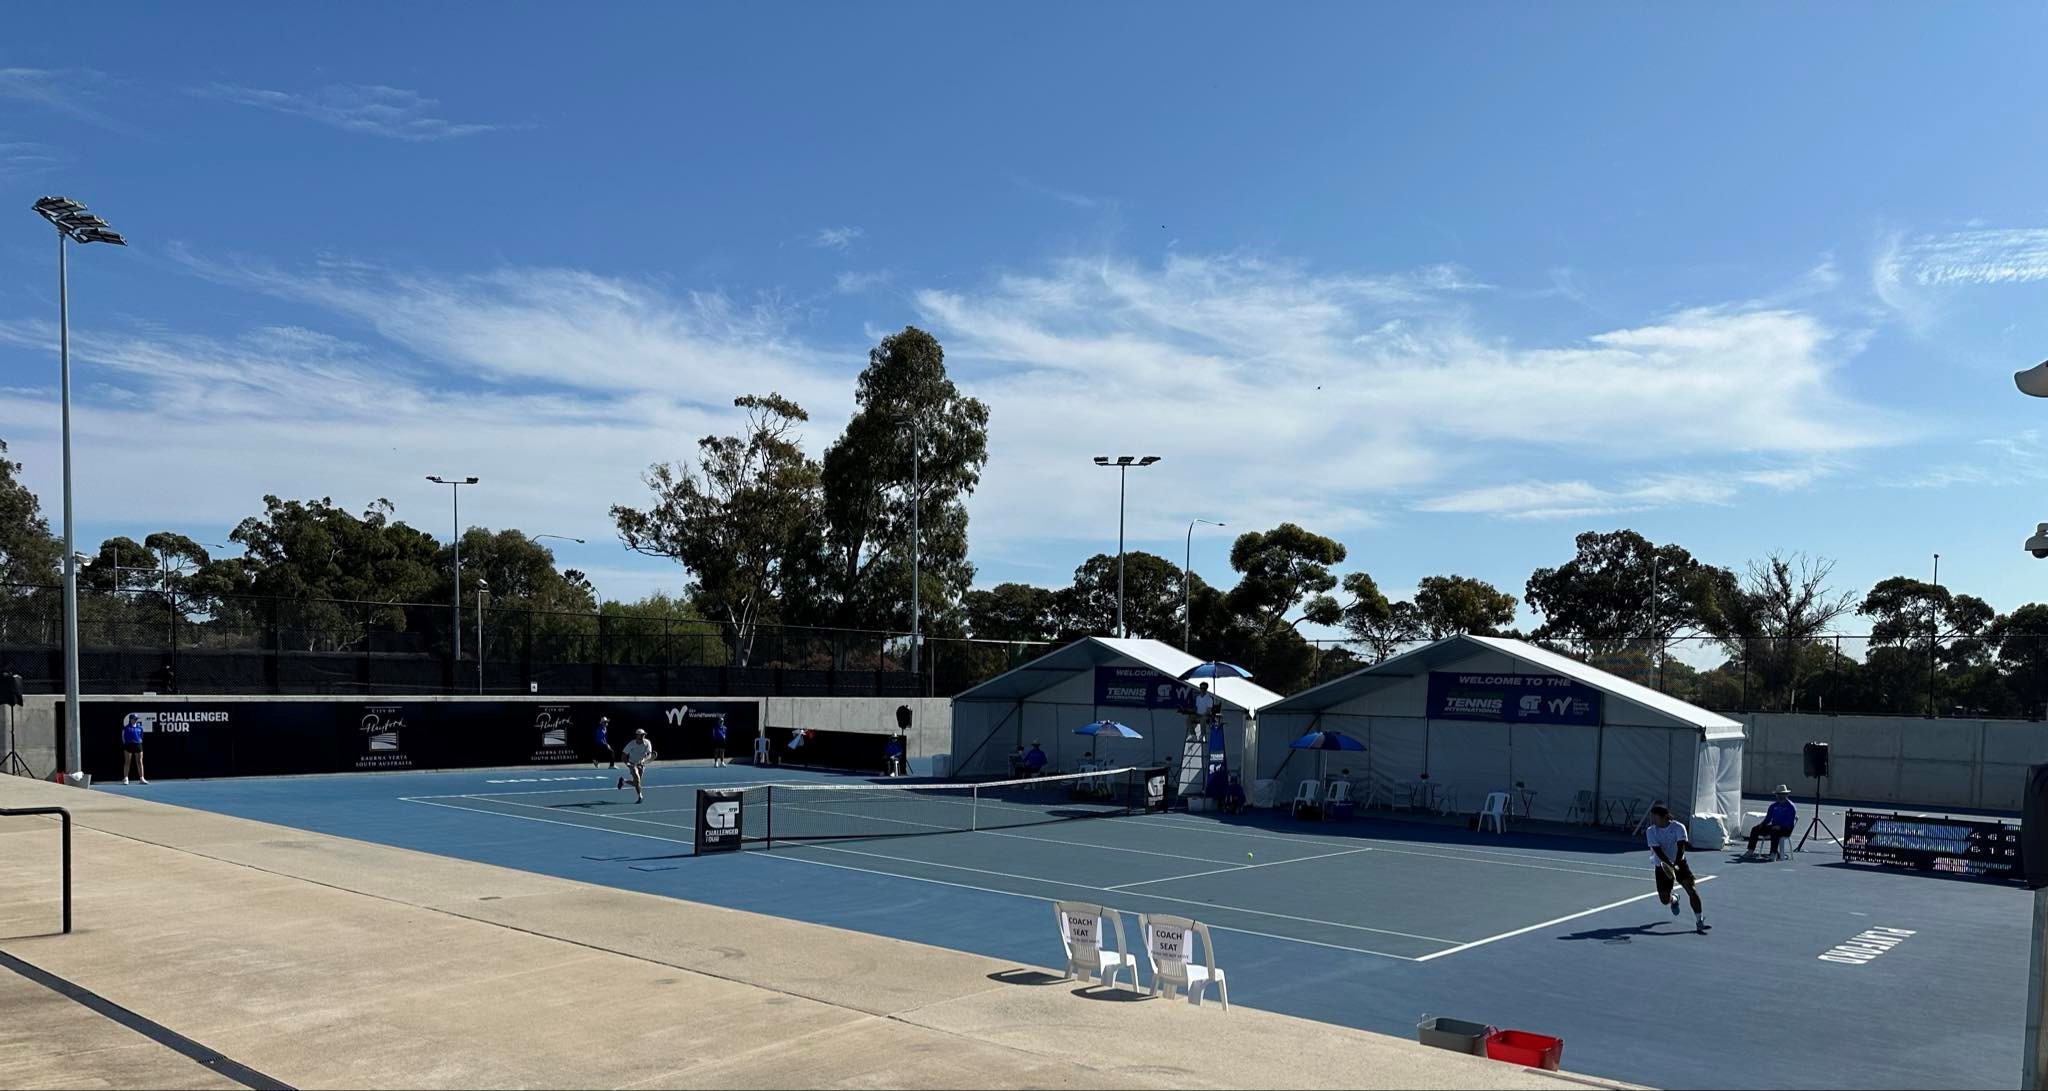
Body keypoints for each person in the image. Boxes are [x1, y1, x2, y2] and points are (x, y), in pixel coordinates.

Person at [1646, 804, 1709, 934]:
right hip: (1662, 866)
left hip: (1680, 863)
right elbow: (1658, 851)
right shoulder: (1651, 831)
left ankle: (1699, 920)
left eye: (1655, 817)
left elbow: (1681, 847)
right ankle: (1674, 899)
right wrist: (1669, 865)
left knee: (1691, 890)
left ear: (1664, 817)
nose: (1653, 820)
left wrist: (1676, 864)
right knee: (1664, 900)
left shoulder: (1679, 827)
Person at [1746, 786, 1798, 860]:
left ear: (1786, 795)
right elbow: (1768, 819)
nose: (1779, 796)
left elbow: (1789, 822)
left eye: (1781, 794)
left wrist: (1779, 826)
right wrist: (1761, 824)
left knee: (1775, 832)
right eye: (1777, 794)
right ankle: (1750, 850)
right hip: (1774, 827)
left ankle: (1773, 853)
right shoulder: (1773, 806)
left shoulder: (1791, 807)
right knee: (1755, 829)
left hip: (1785, 829)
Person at [617, 728, 656, 803]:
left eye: (644, 735)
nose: (643, 736)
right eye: (641, 735)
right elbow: (623, 755)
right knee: (637, 780)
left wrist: (643, 760)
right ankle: (640, 796)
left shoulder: (647, 743)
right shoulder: (631, 744)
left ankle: (623, 781)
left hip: (641, 764)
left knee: (636, 783)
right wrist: (627, 763)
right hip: (632, 763)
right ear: (637, 736)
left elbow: (649, 754)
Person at [120, 712, 149, 785]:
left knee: (139, 761)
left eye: (136, 719)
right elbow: (123, 738)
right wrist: (127, 744)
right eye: (134, 719)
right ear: (130, 719)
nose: (136, 720)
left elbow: (141, 736)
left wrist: (138, 742)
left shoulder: (140, 728)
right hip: (128, 745)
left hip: (138, 745)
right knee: (127, 762)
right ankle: (126, 778)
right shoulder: (126, 728)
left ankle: (142, 778)